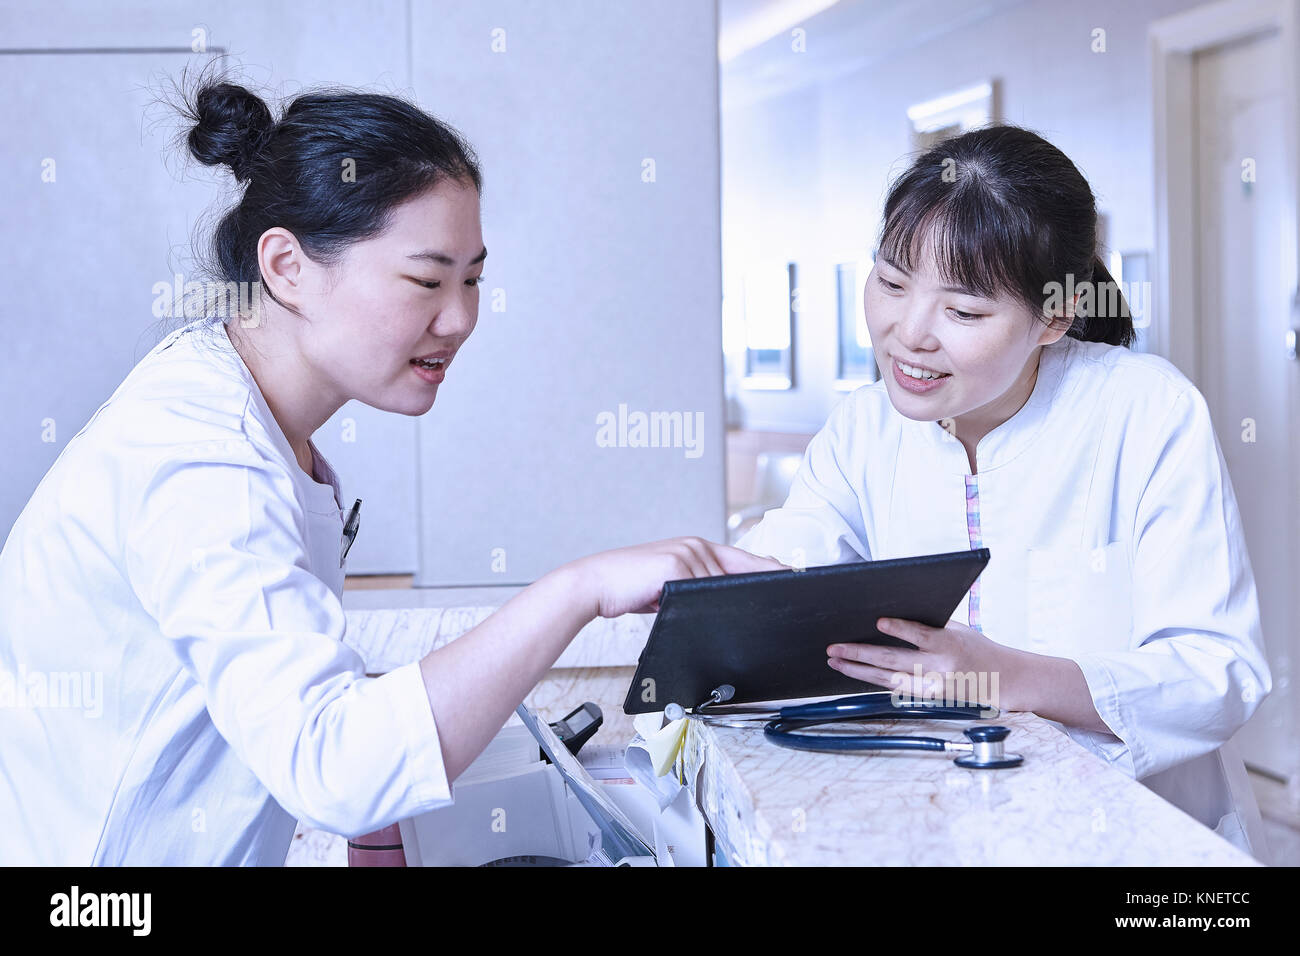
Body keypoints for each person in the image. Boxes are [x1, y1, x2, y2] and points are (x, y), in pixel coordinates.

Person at [0, 77, 779, 865]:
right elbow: (331, 769)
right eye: (427, 280)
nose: (462, 319)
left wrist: (379, 811)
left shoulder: (246, 413)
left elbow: (276, 671)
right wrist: (580, 589)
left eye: (472, 279)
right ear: (287, 266)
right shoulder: (208, 463)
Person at [736, 125, 1273, 860]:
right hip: (946, 829)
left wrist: (1011, 677)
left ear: (1054, 315)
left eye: (963, 311)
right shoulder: (863, 430)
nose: (907, 334)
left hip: (1140, 843)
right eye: (891, 282)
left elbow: (1219, 672)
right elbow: (780, 584)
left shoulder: (1145, 412)